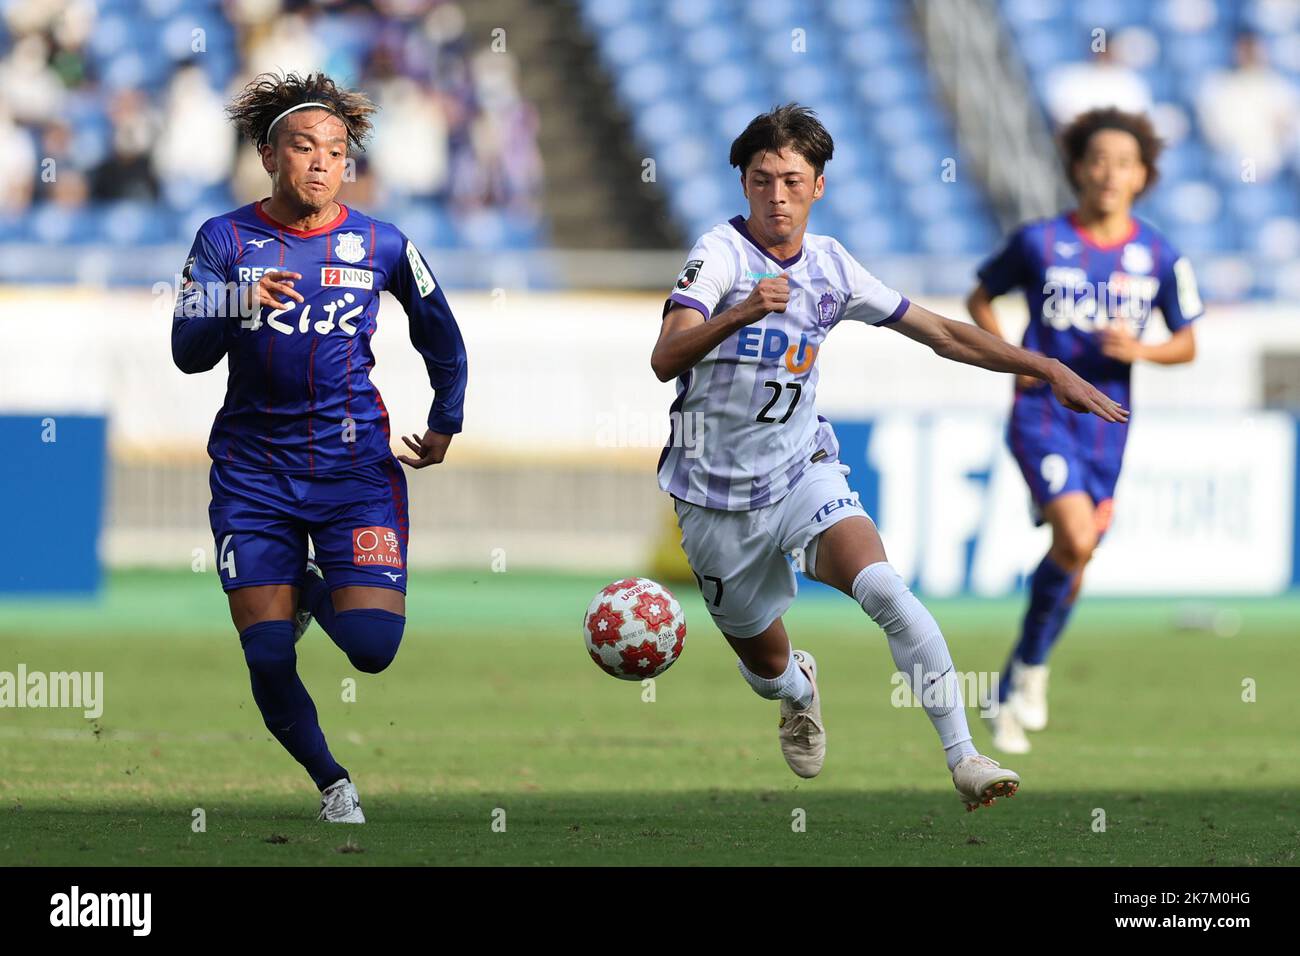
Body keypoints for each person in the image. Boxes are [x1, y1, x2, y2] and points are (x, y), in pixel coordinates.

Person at [652, 104, 1126, 811]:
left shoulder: (833, 266)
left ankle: (964, 756)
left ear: (818, 186)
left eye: (790, 180)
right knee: (766, 666)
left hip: (800, 473)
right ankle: (798, 690)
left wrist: (1047, 367)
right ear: (743, 185)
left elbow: (941, 333)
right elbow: (666, 357)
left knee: (886, 591)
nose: (775, 196)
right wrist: (743, 311)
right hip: (713, 500)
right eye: (760, 181)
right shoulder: (719, 255)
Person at [171, 71, 467, 822]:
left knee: (371, 647)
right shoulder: (224, 240)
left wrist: (445, 421)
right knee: (268, 654)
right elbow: (186, 349)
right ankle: (333, 783)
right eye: (303, 148)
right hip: (253, 474)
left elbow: (442, 336)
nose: (320, 163)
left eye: (335, 152)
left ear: (349, 164)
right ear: (269, 156)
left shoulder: (381, 242)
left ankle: (309, 586)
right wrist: (238, 300)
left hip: (355, 471)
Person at [967, 107, 1201, 753]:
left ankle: (1015, 677)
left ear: (1143, 176)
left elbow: (1187, 343)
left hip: (1109, 427)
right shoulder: (1040, 241)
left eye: (1123, 163)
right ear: (1076, 167)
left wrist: (1140, 350)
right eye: (1097, 160)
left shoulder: (1158, 254)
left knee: (1078, 558)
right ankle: (1033, 672)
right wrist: (1013, 354)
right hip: (1043, 413)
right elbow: (979, 295)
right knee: (1074, 536)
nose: (1108, 173)